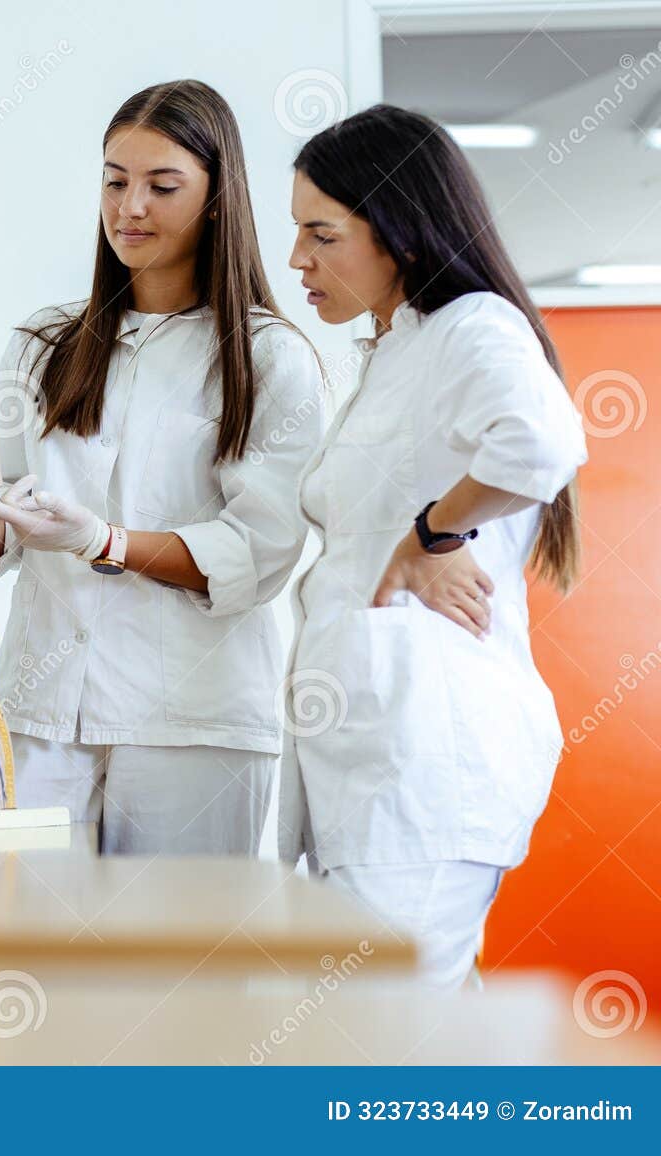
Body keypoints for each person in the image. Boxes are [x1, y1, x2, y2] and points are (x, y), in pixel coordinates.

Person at [0, 80, 324, 855]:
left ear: (217, 199)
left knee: (179, 967)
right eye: (114, 180)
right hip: (41, 712)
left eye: (162, 186)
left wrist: (106, 540)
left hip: (192, 724)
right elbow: (5, 515)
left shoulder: (269, 358)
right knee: (25, 952)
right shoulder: (43, 342)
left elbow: (256, 556)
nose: (130, 207)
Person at [279, 104, 587, 987]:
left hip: (421, 766)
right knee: (396, 1051)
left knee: (384, 1059)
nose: (298, 258)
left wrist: (433, 533)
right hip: (368, 771)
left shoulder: (472, 326)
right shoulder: (396, 351)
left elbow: (540, 442)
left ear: (401, 231)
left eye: (321, 233)